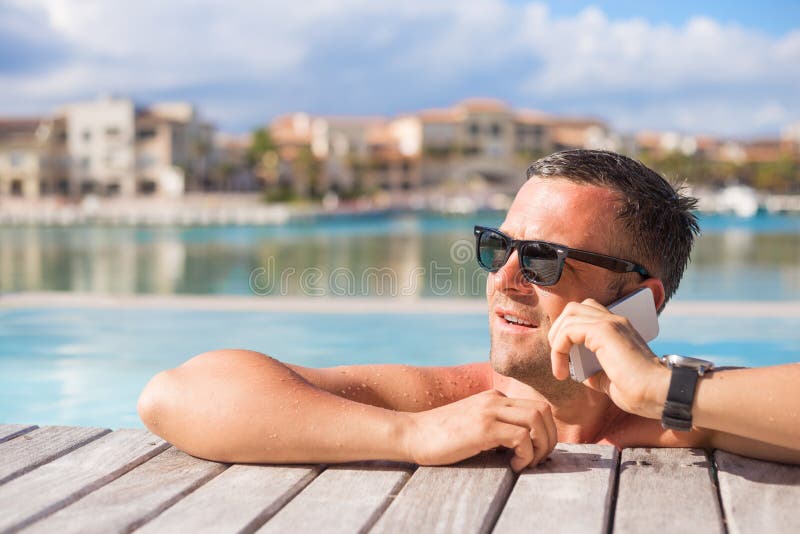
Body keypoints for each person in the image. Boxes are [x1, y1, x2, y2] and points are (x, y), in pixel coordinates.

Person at [138, 150, 800, 470]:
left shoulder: (684, 415)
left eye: (541, 257)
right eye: (496, 247)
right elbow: (176, 394)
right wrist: (410, 436)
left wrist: (658, 387)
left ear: (638, 299)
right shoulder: (440, 404)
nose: (505, 278)